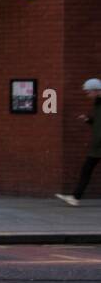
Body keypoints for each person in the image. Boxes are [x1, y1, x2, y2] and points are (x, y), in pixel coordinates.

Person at [56, 78, 101, 206]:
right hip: (97, 146)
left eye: (88, 92)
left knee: (86, 170)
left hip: (98, 144)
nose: (87, 95)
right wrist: (88, 120)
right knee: (86, 170)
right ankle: (75, 197)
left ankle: (75, 197)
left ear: (96, 90)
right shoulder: (97, 104)